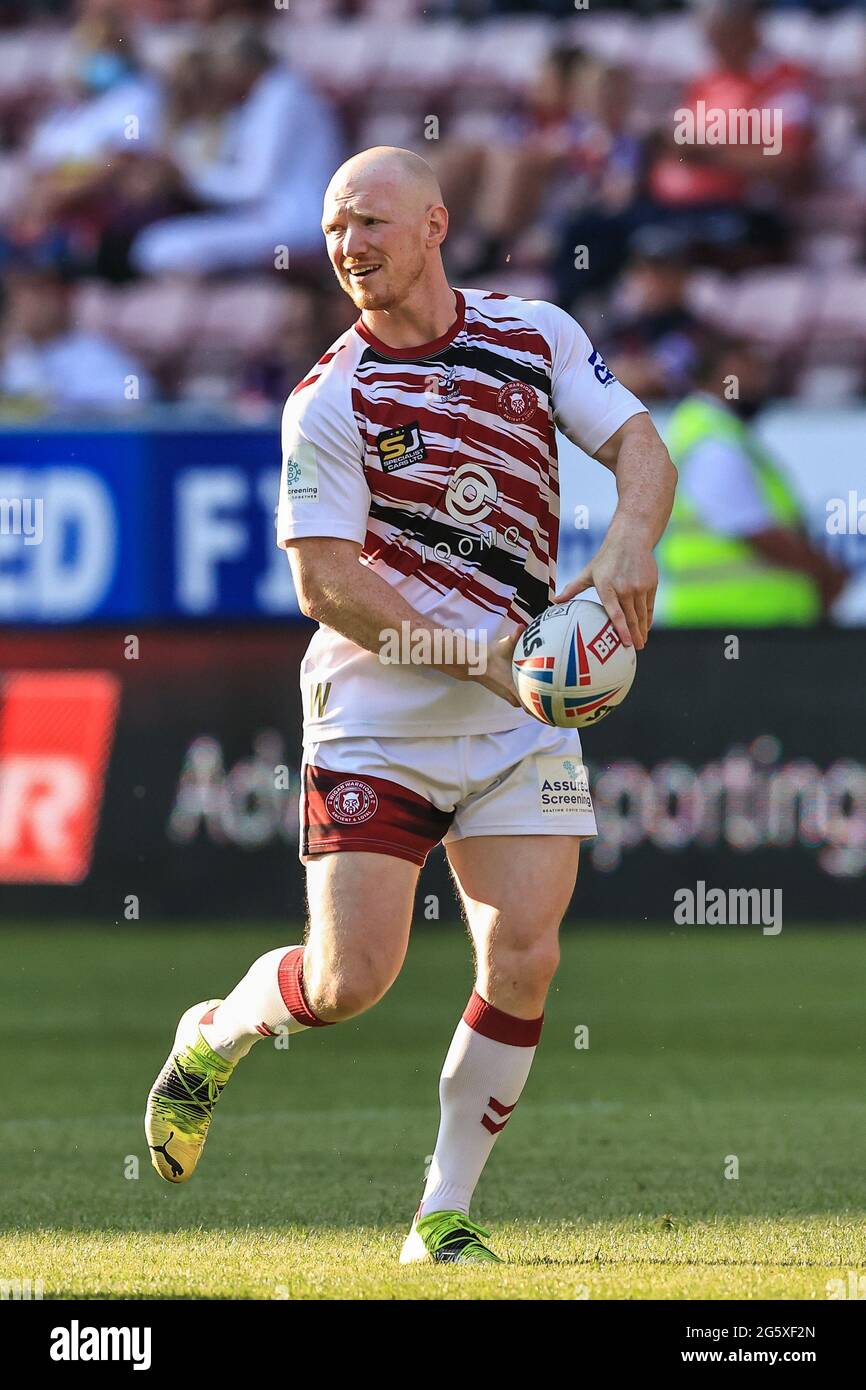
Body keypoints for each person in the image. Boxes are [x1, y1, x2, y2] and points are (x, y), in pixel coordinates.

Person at [145, 146, 676, 1264]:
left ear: (436, 225)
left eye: (371, 221)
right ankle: (215, 1030)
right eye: (335, 227)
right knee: (347, 984)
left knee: (524, 956)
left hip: (515, 708)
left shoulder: (531, 334)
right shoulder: (328, 396)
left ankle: (441, 1213)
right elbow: (326, 581)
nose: (349, 245)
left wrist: (627, 537)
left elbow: (637, 442)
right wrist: (488, 653)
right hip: (377, 710)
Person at [658, 338, 847, 625]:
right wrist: (824, 572)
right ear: (715, 377)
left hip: (730, 619)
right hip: (736, 619)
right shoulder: (713, 441)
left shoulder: (712, 431)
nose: (761, 382)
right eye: (749, 371)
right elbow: (753, 529)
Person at [131, 26, 341, 275]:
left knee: (160, 248)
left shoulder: (282, 100)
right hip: (277, 214)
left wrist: (186, 175)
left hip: (295, 221)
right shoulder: (271, 96)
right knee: (156, 243)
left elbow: (253, 187)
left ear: (241, 66)